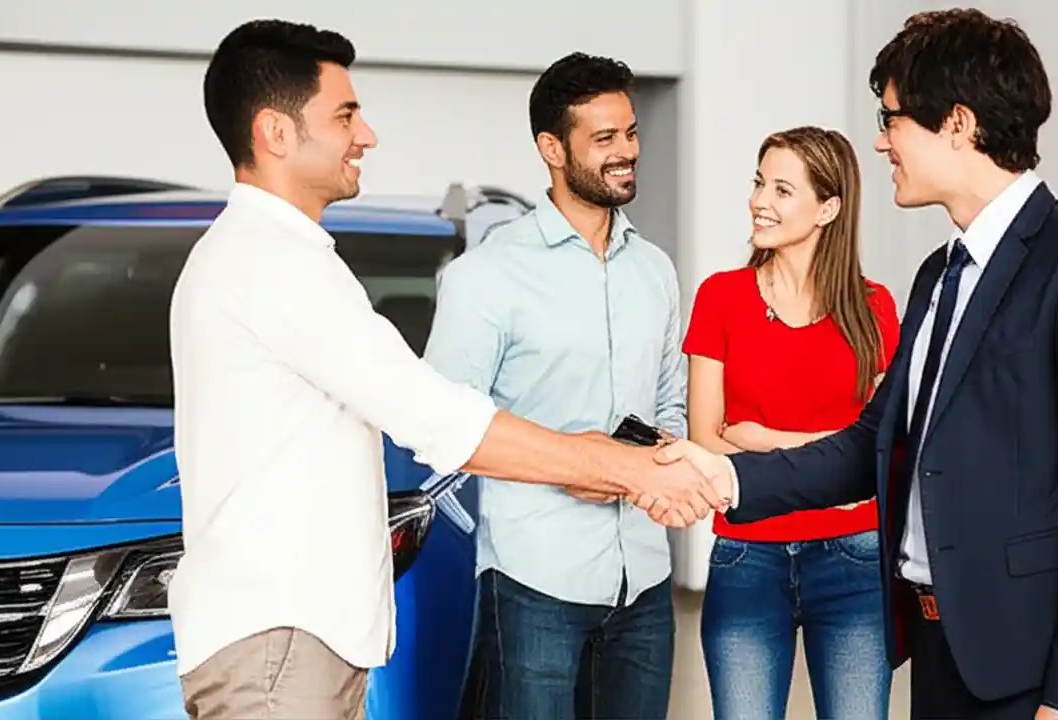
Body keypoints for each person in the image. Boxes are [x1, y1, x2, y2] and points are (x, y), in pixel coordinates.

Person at [168, 21, 726, 720]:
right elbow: (434, 416)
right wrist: (621, 467)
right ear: (276, 133)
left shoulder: (278, 260)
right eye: (345, 115)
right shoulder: (271, 266)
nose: (366, 135)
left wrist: (633, 466)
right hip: (285, 640)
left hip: (298, 640)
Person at [653, 9, 1058, 720]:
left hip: (1028, 668)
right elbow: (876, 444)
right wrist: (728, 476)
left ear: (957, 124)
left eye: (891, 119)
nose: (880, 139)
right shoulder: (939, 274)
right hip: (936, 643)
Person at [424, 52, 682, 720]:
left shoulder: (655, 271)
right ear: (552, 148)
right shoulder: (486, 277)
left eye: (629, 133)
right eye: (604, 139)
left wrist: (649, 461)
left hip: (646, 582)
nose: (625, 152)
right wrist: (570, 464)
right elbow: (442, 426)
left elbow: (671, 405)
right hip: (535, 583)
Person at [683, 126, 899, 719]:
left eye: (782, 189)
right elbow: (706, 441)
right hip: (747, 555)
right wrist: (835, 449)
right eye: (759, 183)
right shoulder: (721, 297)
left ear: (828, 207)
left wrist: (762, 440)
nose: (759, 201)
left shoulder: (874, 306)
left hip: (856, 555)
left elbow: (884, 447)